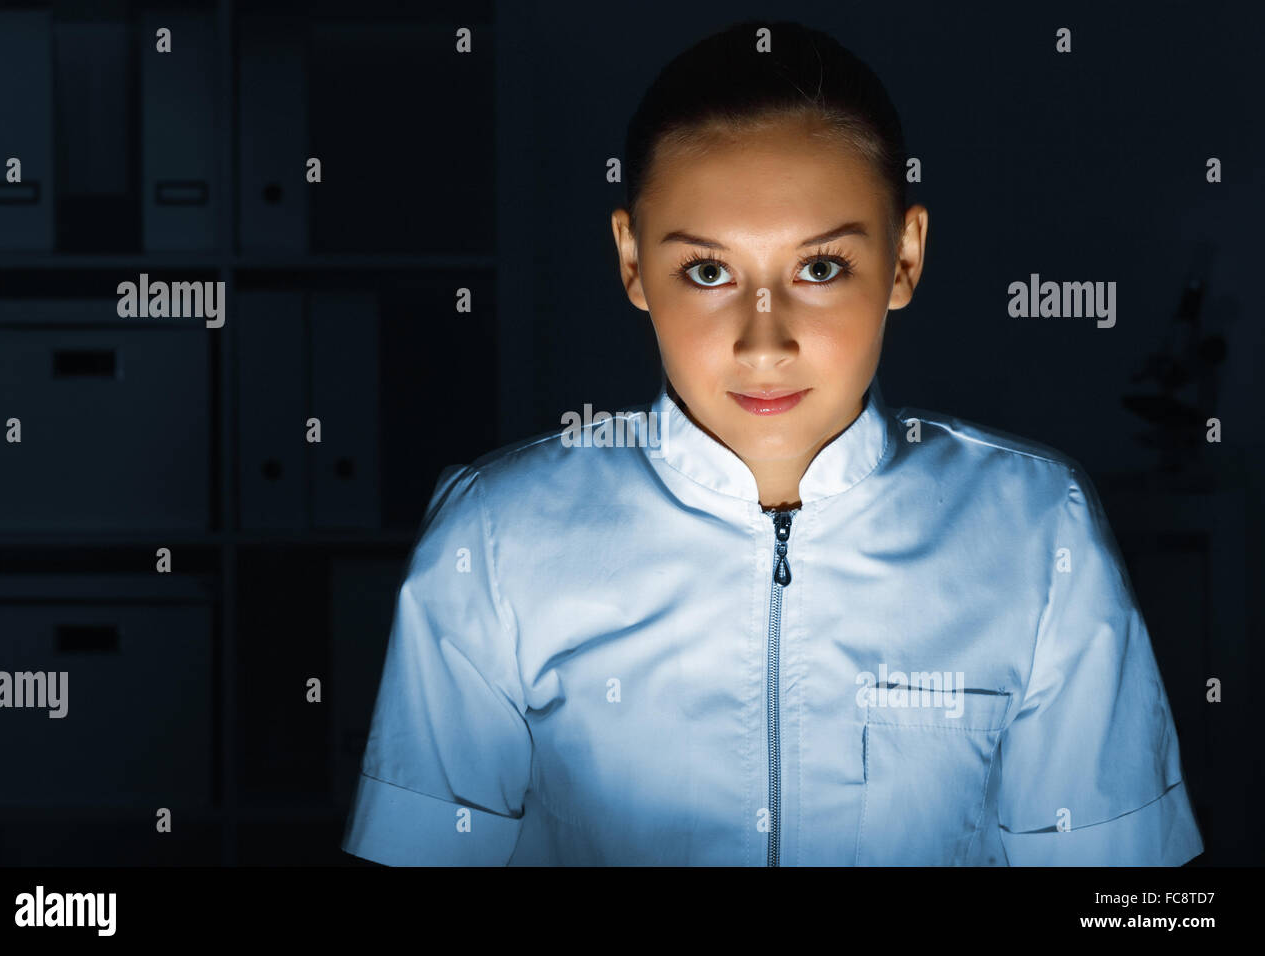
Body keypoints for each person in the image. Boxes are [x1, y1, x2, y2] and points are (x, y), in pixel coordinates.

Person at [340, 19, 1203, 866]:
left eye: (820, 268)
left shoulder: (1035, 528)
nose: (764, 343)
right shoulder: (495, 538)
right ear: (633, 260)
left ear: (905, 257)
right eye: (708, 271)